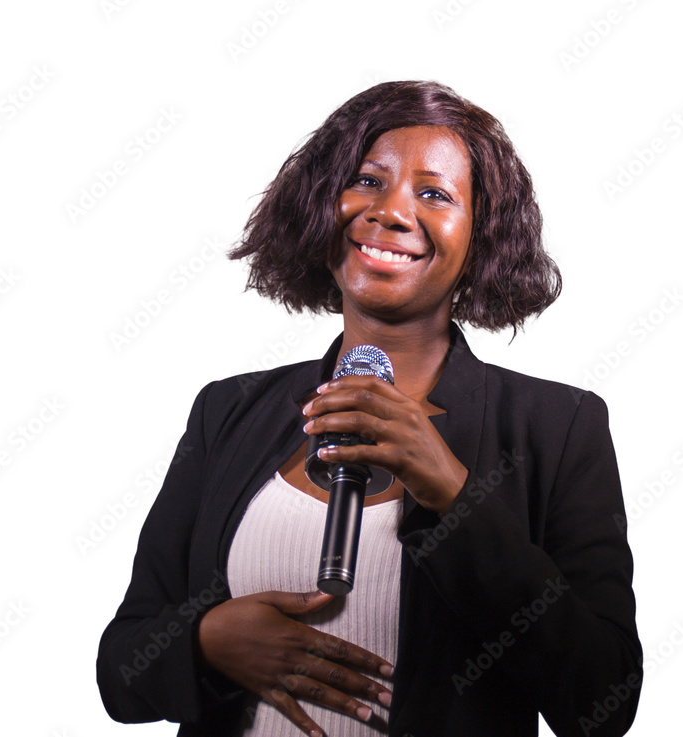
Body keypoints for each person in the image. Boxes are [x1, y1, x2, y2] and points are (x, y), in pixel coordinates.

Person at [96, 80, 642, 737]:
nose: (390, 211)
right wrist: (208, 640)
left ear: (481, 236)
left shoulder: (558, 427)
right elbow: (121, 670)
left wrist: (450, 490)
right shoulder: (229, 410)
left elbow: (600, 699)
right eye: (367, 180)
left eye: (434, 193)